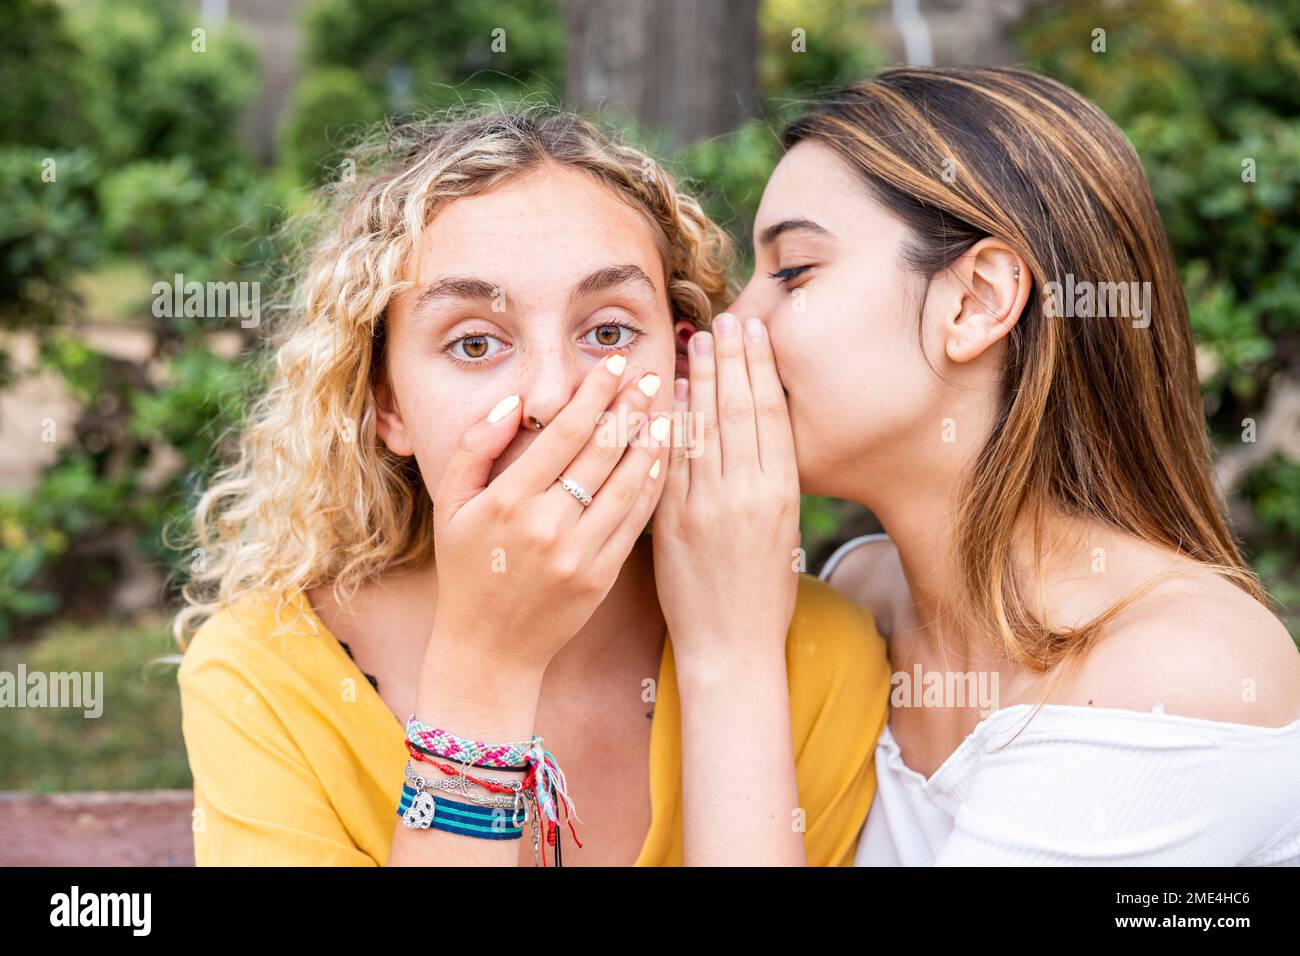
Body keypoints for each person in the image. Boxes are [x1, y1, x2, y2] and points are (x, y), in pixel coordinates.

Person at [172, 106, 891, 866]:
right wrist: (487, 667)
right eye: (474, 343)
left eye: (608, 331)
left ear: (682, 368)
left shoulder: (816, 656)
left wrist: (734, 669)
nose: (551, 397)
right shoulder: (265, 675)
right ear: (389, 406)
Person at [677, 67, 1300, 864]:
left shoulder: (1171, 675)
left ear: (975, 301)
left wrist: (728, 655)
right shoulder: (863, 596)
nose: (733, 326)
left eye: (794, 272)